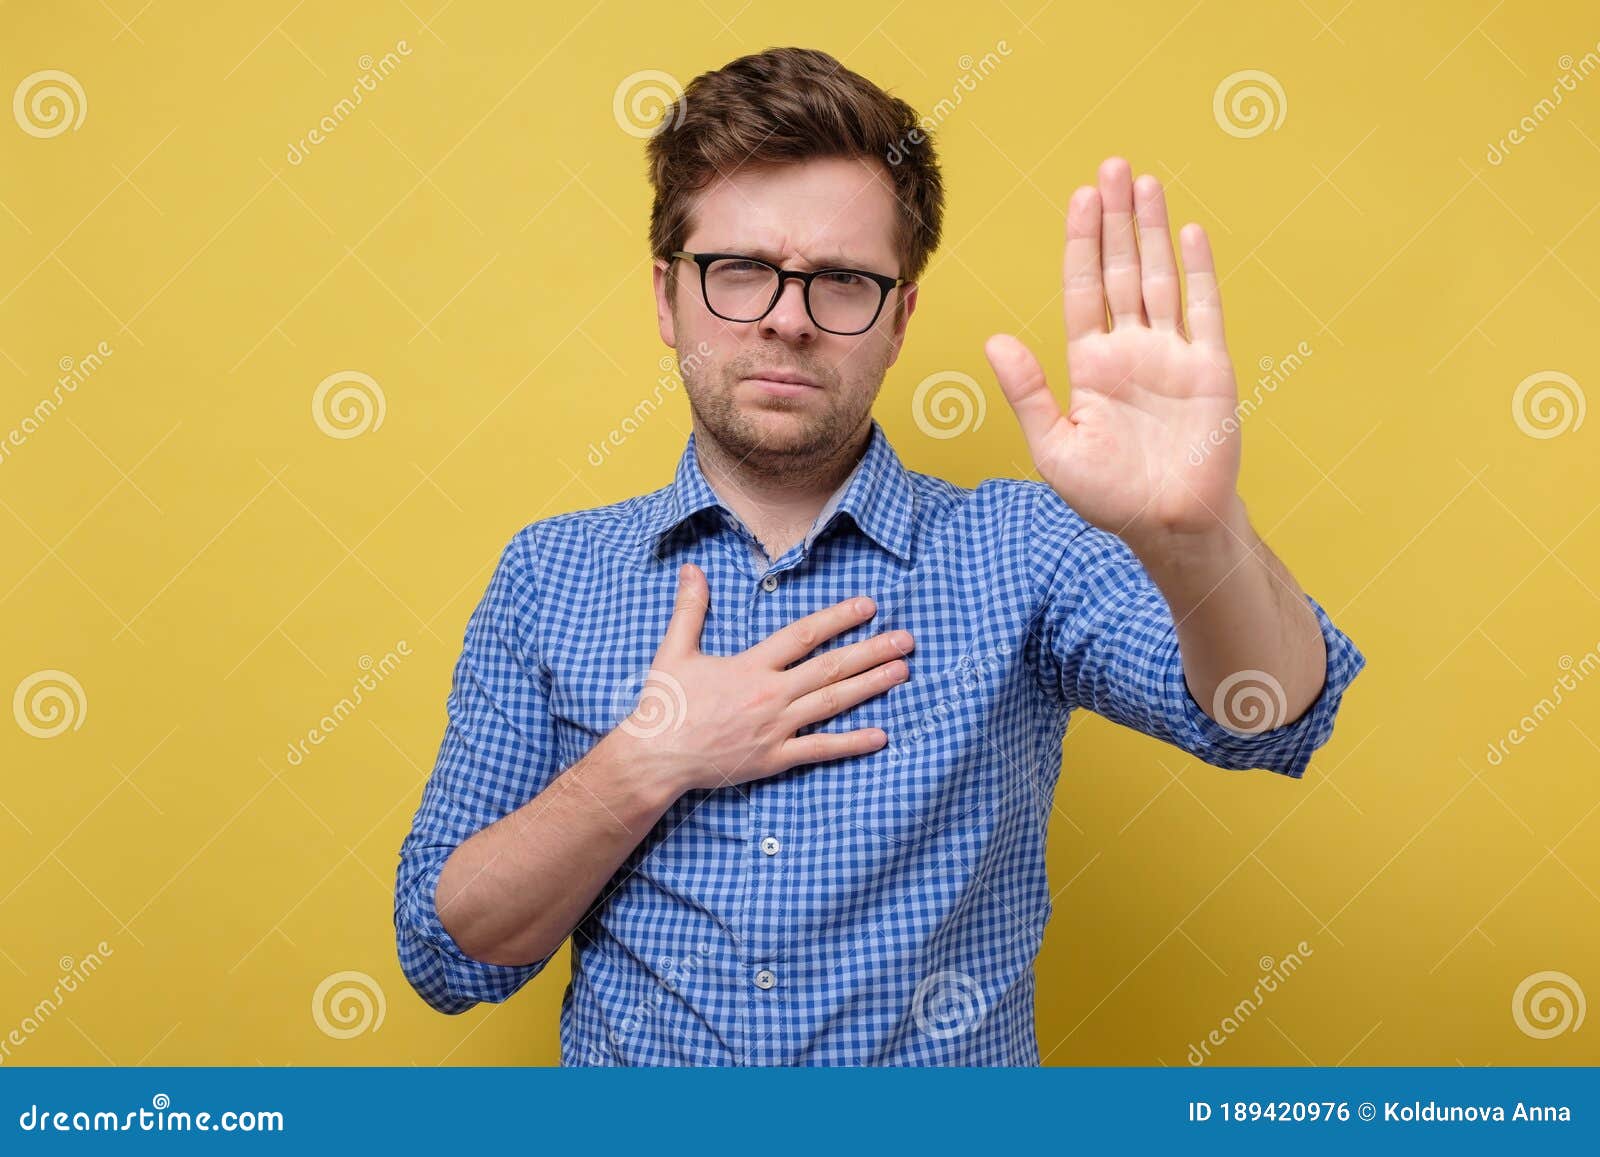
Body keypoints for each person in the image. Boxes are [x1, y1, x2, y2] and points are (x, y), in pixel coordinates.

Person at [393, 46, 1366, 1065]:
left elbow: (1267, 717)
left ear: (898, 319)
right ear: (667, 297)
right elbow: (447, 952)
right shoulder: (549, 575)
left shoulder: (1020, 549)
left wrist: (1198, 533)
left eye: (843, 281)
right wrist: (650, 757)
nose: (786, 319)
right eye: (739, 270)